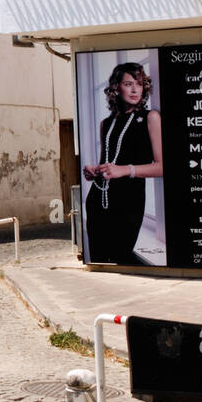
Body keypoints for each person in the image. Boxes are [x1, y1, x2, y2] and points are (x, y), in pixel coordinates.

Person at [82, 62, 163, 265]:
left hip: (129, 202)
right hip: (97, 200)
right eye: (128, 84)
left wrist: (125, 170)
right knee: (99, 261)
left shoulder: (150, 118)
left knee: (120, 259)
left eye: (140, 84)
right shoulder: (106, 123)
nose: (135, 89)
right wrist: (95, 171)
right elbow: (108, 162)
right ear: (116, 88)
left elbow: (162, 167)